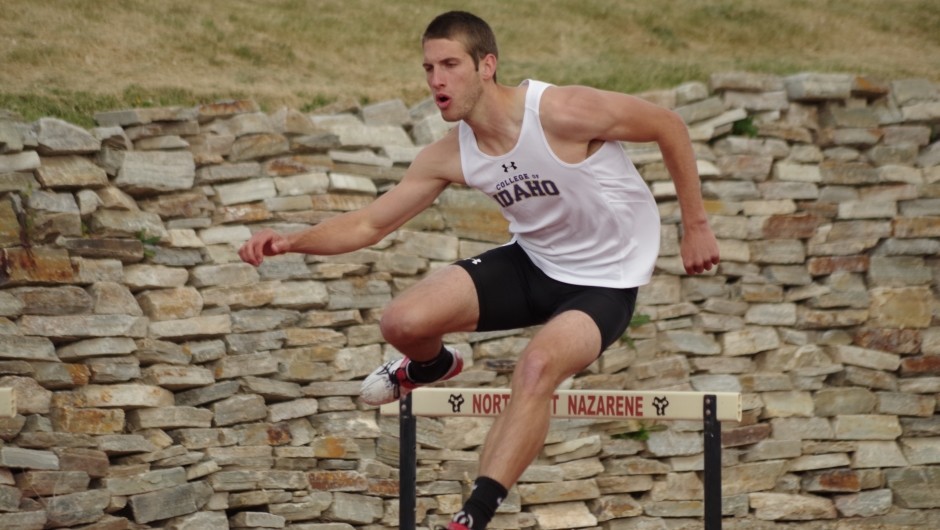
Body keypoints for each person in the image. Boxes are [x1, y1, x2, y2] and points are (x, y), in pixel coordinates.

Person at [239, 10, 719, 530]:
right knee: (402, 322)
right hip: (533, 263)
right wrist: (290, 241)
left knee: (536, 368)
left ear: (486, 65)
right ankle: (429, 367)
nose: (437, 81)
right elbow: (369, 224)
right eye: (428, 68)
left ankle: (474, 515)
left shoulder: (561, 112)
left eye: (450, 65)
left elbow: (668, 125)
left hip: (604, 283)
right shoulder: (452, 154)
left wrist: (695, 225)